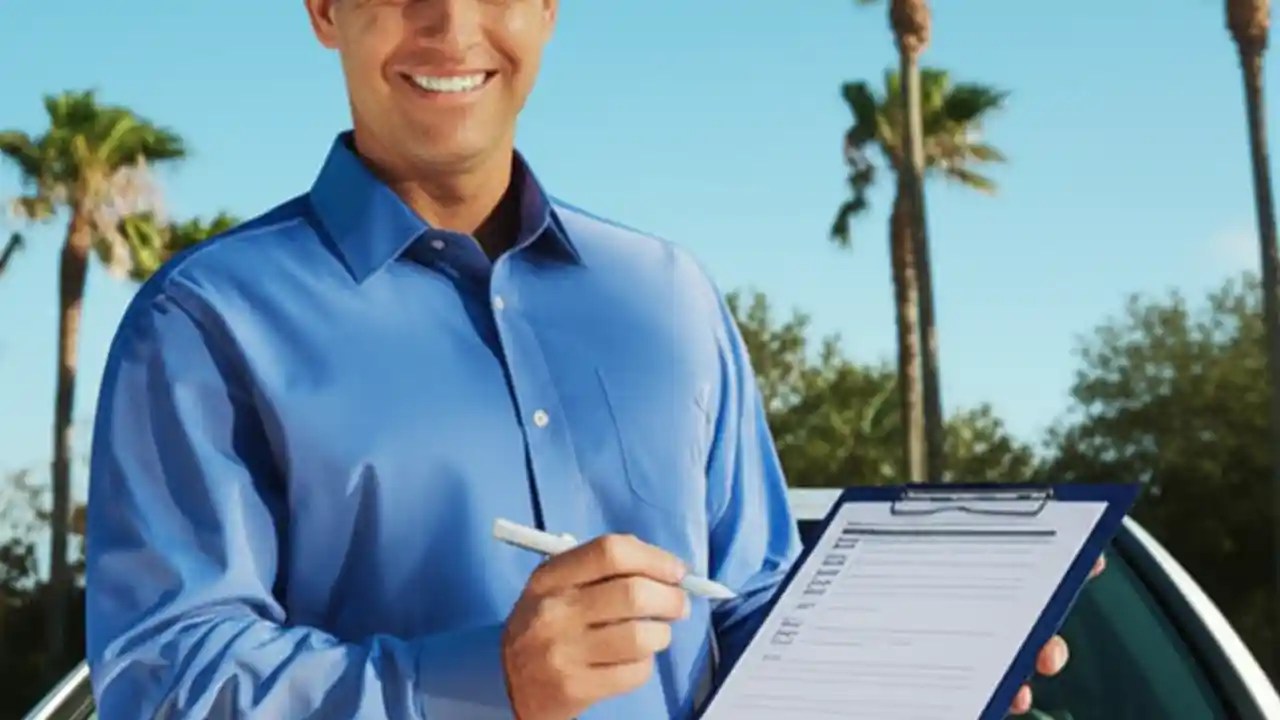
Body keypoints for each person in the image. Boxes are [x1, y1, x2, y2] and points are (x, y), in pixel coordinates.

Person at [83, 1, 1093, 717]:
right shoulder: (203, 320)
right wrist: (488, 683)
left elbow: (742, 607)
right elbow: (167, 680)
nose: (449, 22)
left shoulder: (668, 295)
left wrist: (916, 677)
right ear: (322, 8)